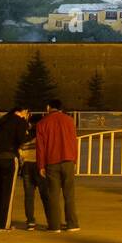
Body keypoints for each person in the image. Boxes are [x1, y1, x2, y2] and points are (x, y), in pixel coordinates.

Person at [34, 98, 79, 232]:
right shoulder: (69, 121)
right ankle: (72, 224)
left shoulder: (42, 123)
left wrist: (41, 165)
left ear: (48, 107)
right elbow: (73, 141)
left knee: (53, 195)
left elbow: (40, 147)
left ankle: (54, 226)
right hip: (68, 160)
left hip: (51, 162)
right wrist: (75, 160)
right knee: (69, 194)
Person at [0, 105, 32, 232]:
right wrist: (29, 130)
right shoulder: (20, 121)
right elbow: (22, 139)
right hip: (9, 157)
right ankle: (4, 225)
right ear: (23, 111)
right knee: (7, 193)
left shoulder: (3, 119)